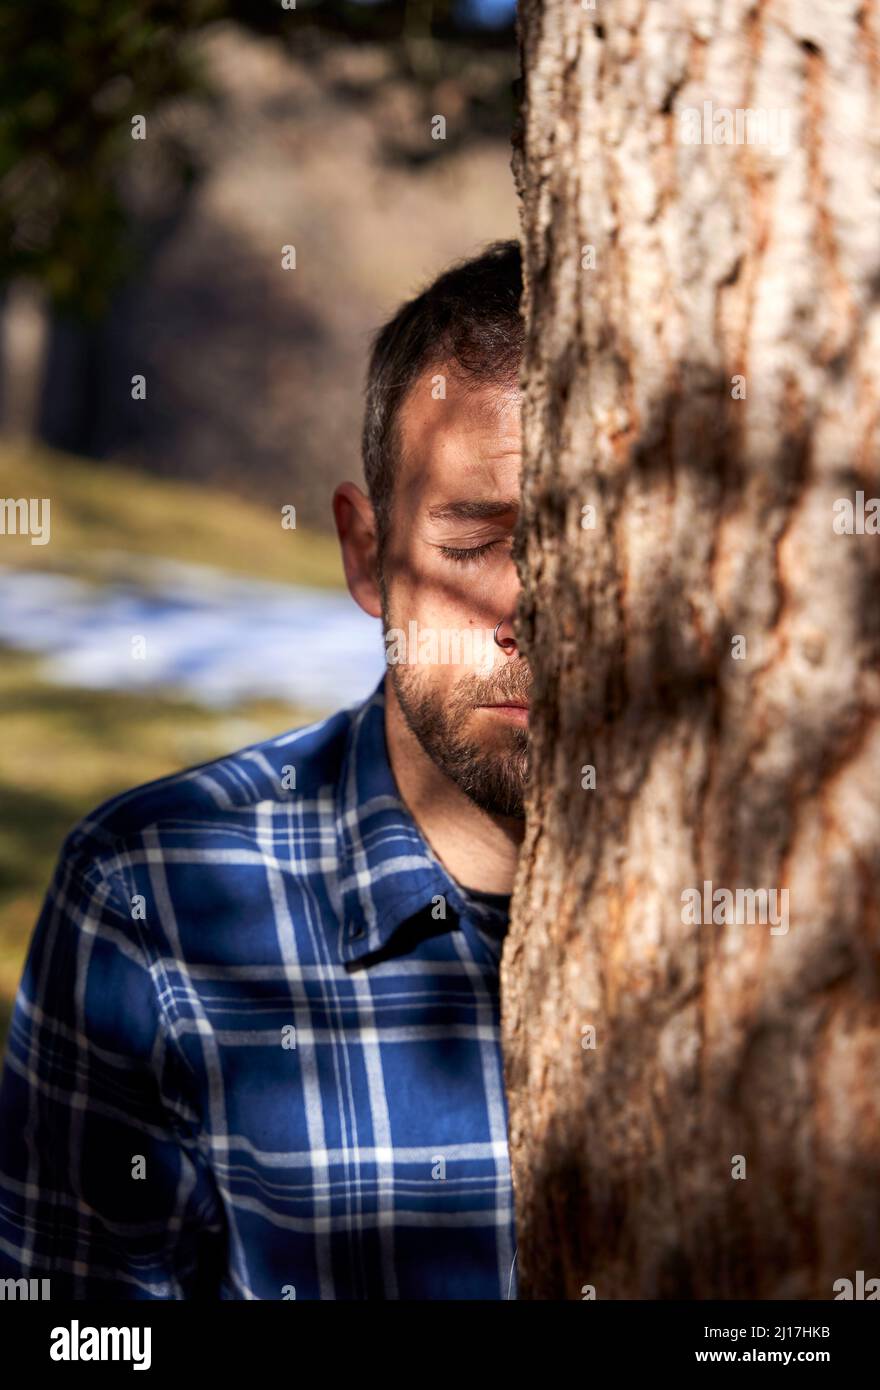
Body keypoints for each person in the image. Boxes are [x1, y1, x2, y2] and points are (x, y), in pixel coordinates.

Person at [0, 240, 530, 1300]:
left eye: (592, 539)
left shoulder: (817, 889)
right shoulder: (154, 900)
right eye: (472, 542)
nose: (529, 607)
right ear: (365, 554)